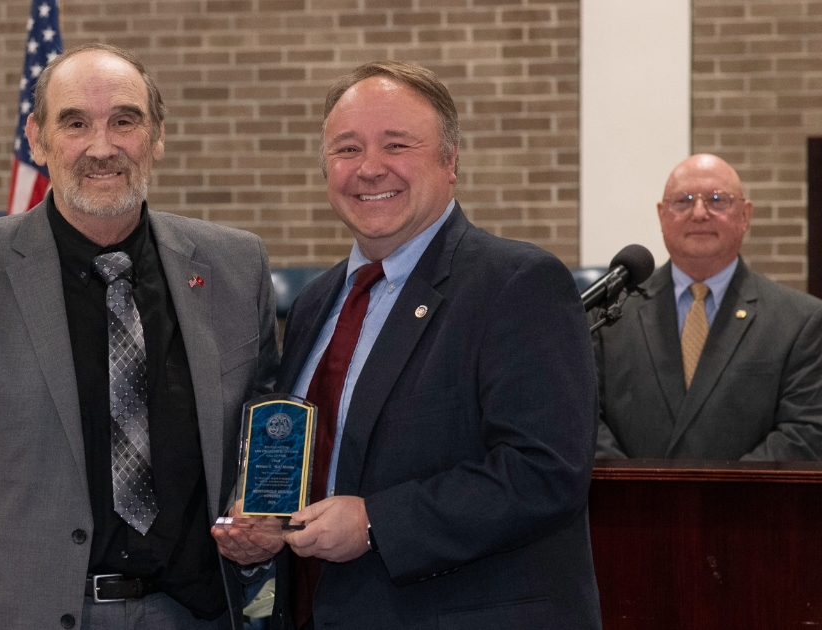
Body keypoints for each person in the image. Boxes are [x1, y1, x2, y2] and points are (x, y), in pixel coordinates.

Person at [0, 43, 278, 630]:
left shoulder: (236, 267)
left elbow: (265, 429)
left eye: (125, 122)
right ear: (37, 139)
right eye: (75, 123)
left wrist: (265, 512)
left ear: (156, 137)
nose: (102, 146)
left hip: (194, 612)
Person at [215, 60, 602, 629]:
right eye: (347, 149)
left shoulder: (517, 284)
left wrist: (377, 522)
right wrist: (259, 520)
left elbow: (544, 473)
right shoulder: (314, 306)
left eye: (396, 144)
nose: (370, 168)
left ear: (450, 162)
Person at [595, 154, 822, 460]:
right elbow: (583, 420)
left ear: (745, 215)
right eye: (683, 201)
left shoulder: (801, 321)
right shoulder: (608, 315)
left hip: (746, 505)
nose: (699, 212)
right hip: (627, 504)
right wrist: (639, 493)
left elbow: (804, 433)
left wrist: (714, 497)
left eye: (717, 200)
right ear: (662, 216)